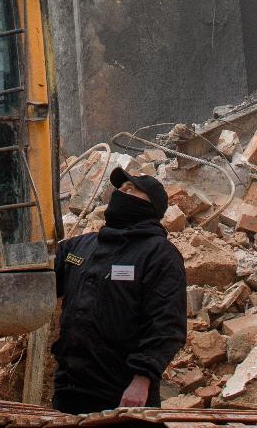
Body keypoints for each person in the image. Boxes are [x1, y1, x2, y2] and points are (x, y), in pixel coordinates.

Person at [50, 166, 187, 413]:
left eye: (131, 189)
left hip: (122, 395)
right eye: (120, 188)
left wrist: (141, 381)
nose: (121, 191)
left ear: (151, 206)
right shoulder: (82, 246)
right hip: (69, 391)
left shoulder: (160, 255)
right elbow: (39, 276)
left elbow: (167, 326)